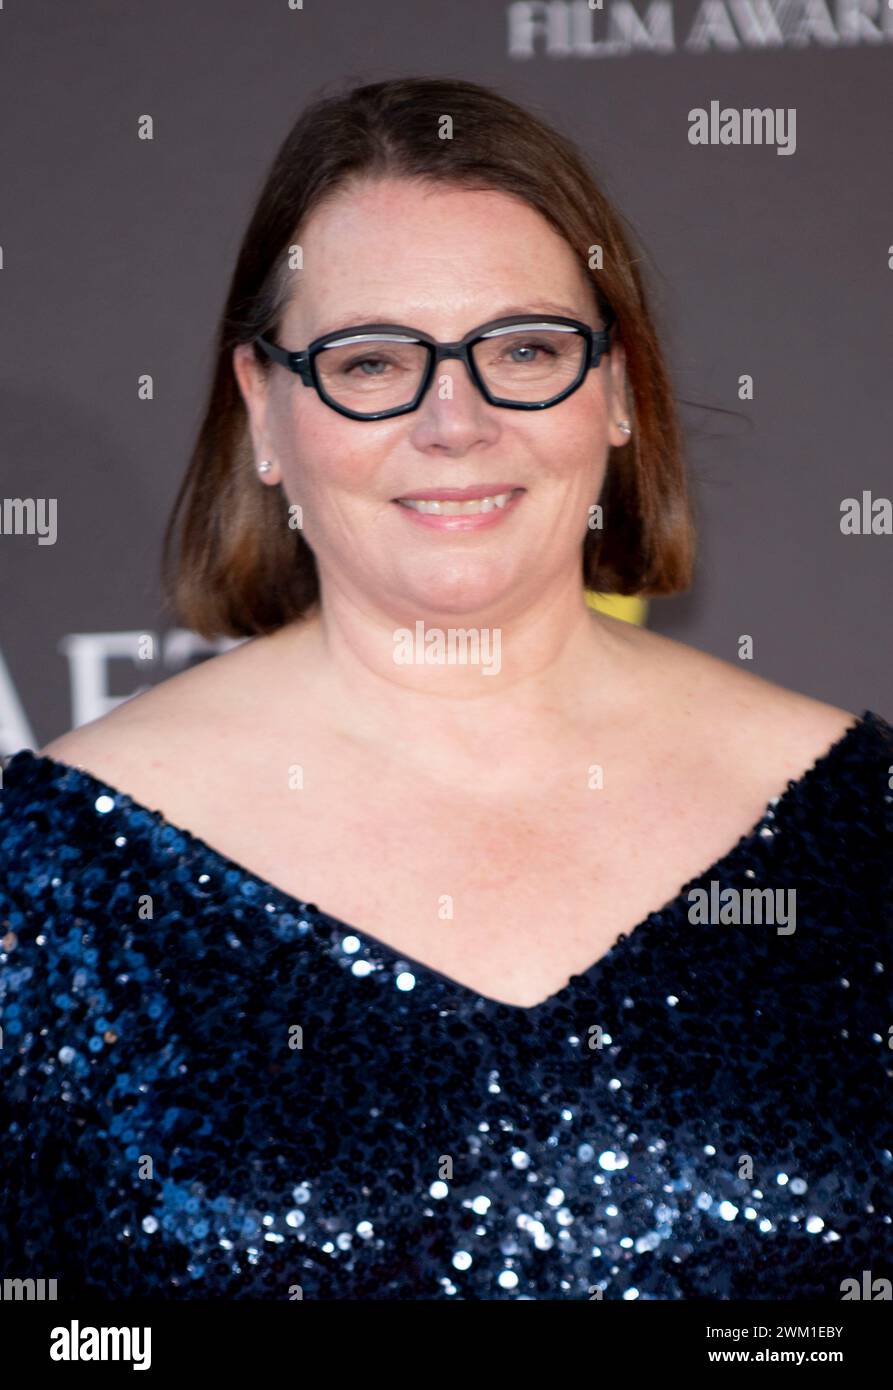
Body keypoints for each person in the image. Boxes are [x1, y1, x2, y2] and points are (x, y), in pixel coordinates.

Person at [1, 76, 890, 1301]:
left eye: (522, 349)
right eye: (372, 362)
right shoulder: (56, 873)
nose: (454, 419)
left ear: (617, 388)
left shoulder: (864, 827)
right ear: (265, 410)